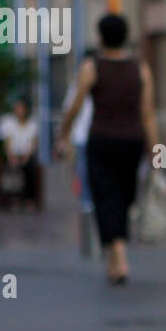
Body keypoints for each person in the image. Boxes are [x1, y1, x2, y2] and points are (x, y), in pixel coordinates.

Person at [56, 14, 159, 285]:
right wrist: (158, 157)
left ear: (101, 37)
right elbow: (149, 115)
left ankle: (119, 256)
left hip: (101, 140)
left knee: (104, 197)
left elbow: (75, 107)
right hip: (132, 142)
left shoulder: (92, 67)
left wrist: (63, 134)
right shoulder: (141, 69)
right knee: (124, 196)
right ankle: (116, 257)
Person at [61, 49, 97, 216]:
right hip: (82, 136)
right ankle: (87, 201)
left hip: (99, 135)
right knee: (83, 170)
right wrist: (65, 136)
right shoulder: (76, 87)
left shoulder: (102, 85)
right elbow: (70, 110)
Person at [0, 96, 39, 211]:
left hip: (27, 155)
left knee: (30, 169)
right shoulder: (8, 122)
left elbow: (34, 143)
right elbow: (8, 142)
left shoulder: (32, 124)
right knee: (12, 169)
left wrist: (27, 156)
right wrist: (11, 156)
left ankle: (29, 199)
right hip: (13, 154)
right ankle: (14, 199)